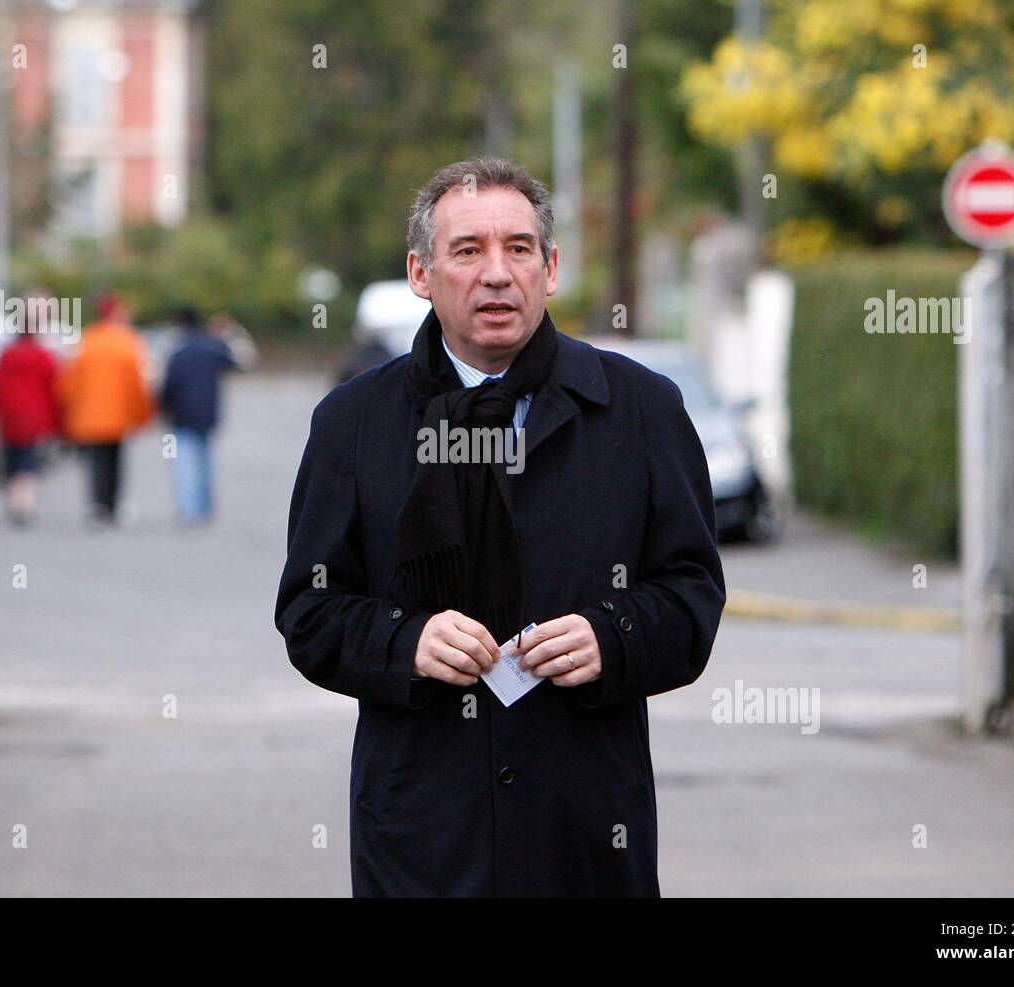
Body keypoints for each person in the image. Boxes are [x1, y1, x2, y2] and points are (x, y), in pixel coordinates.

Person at [274, 158, 726, 897]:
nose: (496, 273)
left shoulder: (640, 410)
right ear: (422, 274)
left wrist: (613, 634)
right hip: (419, 833)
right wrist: (404, 640)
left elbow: (691, 596)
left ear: (550, 270)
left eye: (519, 249)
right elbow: (310, 612)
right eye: (467, 250)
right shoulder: (353, 423)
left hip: (582, 831)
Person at [56, 294, 154, 525]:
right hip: (119, 414)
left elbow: (69, 382)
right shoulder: (128, 342)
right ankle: (113, 503)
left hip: (90, 414)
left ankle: (98, 504)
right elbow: (138, 382)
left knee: (96, 461)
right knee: (116, 459)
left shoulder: (85, 341)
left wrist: (70, 409)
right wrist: (143, 413)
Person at [157, 307, 240, 524]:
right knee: (206, 462)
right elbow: (238, 361)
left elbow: (168, 387)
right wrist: (225, 334)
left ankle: (189, 509)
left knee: (183, 464)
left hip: (182, 416)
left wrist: (162, 408)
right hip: (207, 415)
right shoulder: (212, 349)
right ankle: (204, 506)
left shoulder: (177, 353)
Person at [0, 308, 60, 525]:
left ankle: (15, 500)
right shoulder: (43, 355)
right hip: (34, 416)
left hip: (9, 416)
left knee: (12, 459)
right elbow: (54, 387)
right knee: (28, 461)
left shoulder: (6, 355)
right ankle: (23, 503)